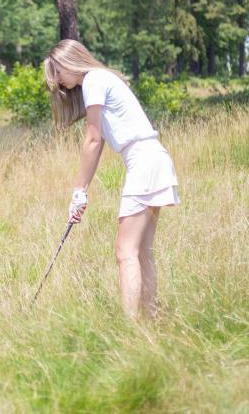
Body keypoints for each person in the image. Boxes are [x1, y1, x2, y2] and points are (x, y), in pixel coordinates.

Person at [43, 39, 179, 318]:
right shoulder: (102, 79)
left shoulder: (93, 79)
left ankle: (130, 326)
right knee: (141, 250)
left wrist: (78, 190)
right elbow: (101, 139)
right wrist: (83, 192)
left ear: (71, 62)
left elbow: (92, 139)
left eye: (57, 72)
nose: (58, 81)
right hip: (153, 158)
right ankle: (149, 318)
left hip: (143, 162)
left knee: (124, 251)